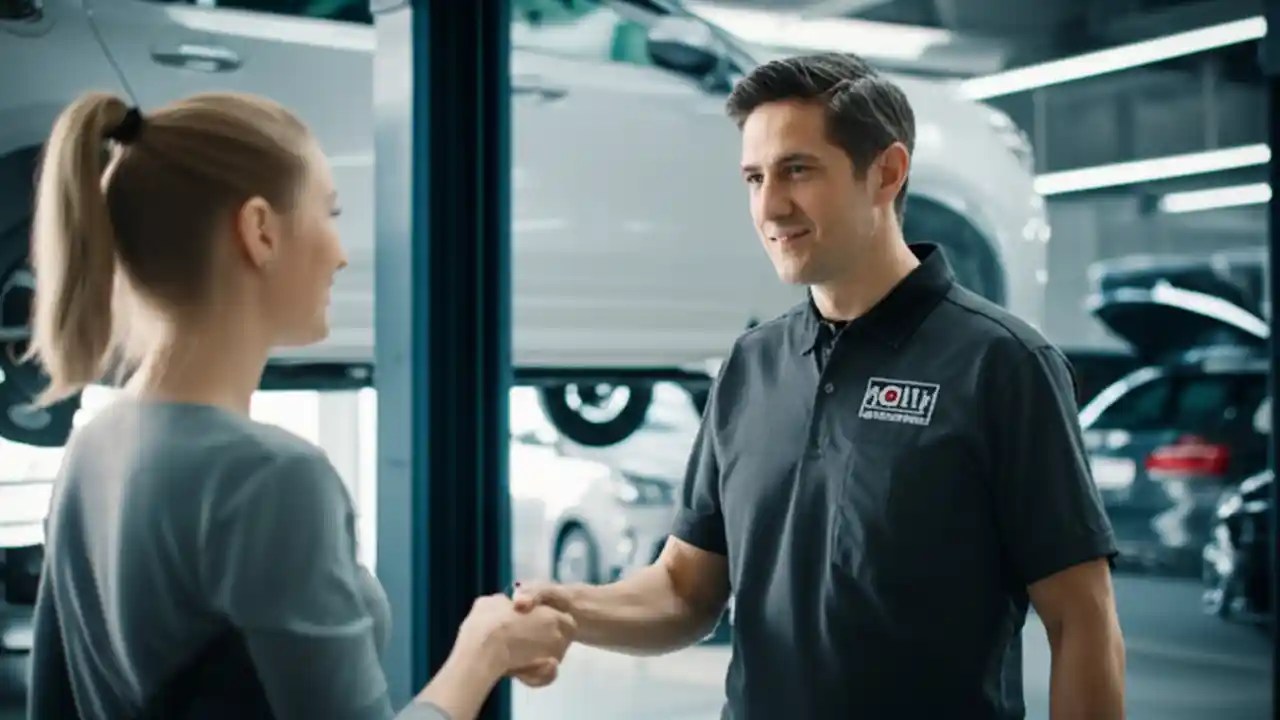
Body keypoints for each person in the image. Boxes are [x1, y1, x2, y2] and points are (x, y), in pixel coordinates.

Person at [513, 52, 1127, 718]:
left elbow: (1081, 621)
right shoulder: (751, 364)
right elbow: (685, 592)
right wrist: (568, 608)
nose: (770, 206)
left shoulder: (1002, 364)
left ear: (886, 173)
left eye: (798, 170)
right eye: (754, 177)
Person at [24, 91, 574, 720]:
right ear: (260, 230)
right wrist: (485, 651)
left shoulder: (94, 444)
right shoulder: (270, 478)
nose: (341, 253)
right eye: (329, 213)